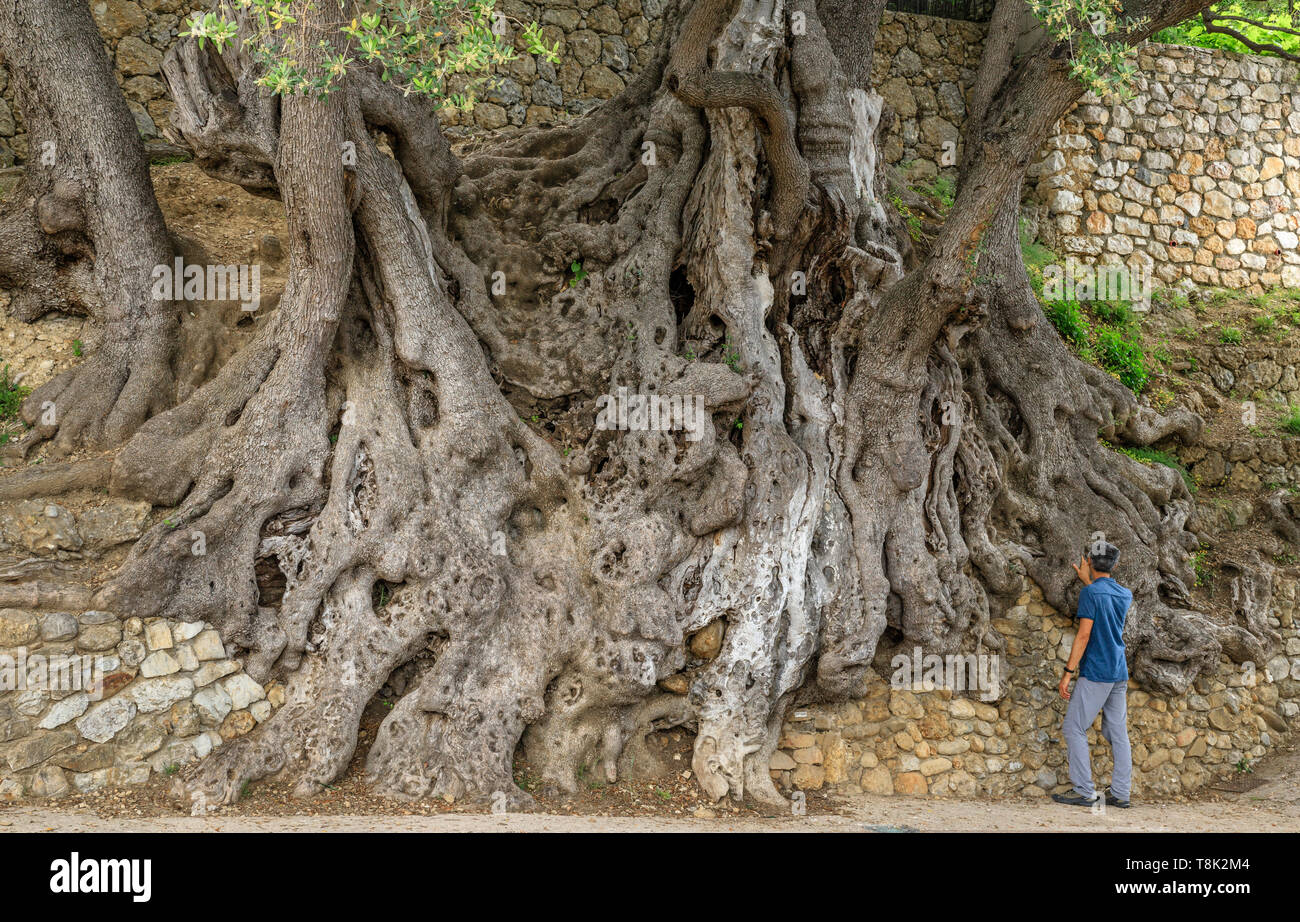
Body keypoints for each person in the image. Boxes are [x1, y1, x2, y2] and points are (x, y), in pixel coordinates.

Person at [1052, 541, 1133, 809]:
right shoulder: (1124, 594)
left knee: (1073, 727)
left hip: (1097, 671)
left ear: (1089, 561)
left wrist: (1067, 672)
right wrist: (1089, 582)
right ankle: (1121, 793)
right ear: (1115, 565)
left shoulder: (1090, 595)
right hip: (1119, 671)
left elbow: (1084, 634)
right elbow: (1105, 602)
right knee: (1117, 731)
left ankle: (1085, 790)